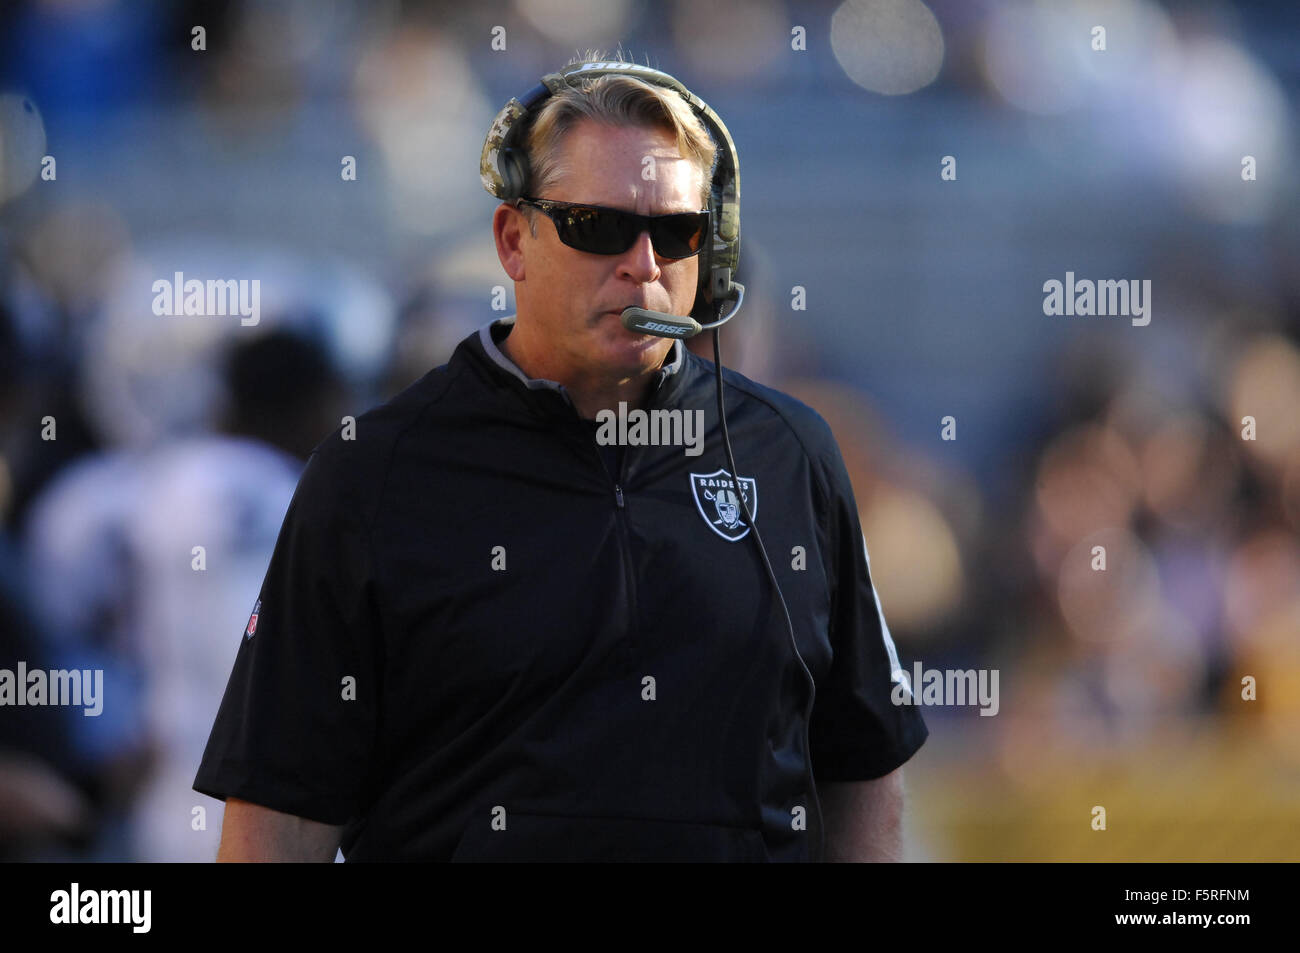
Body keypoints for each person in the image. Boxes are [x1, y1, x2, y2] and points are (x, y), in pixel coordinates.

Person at [194, 55, 927, 862]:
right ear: (514, 239)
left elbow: (861, 765)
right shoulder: (372, 473)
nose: (643, 264)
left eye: (677, 232)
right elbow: (280, 814)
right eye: (599, 227)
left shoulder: (791, 454)